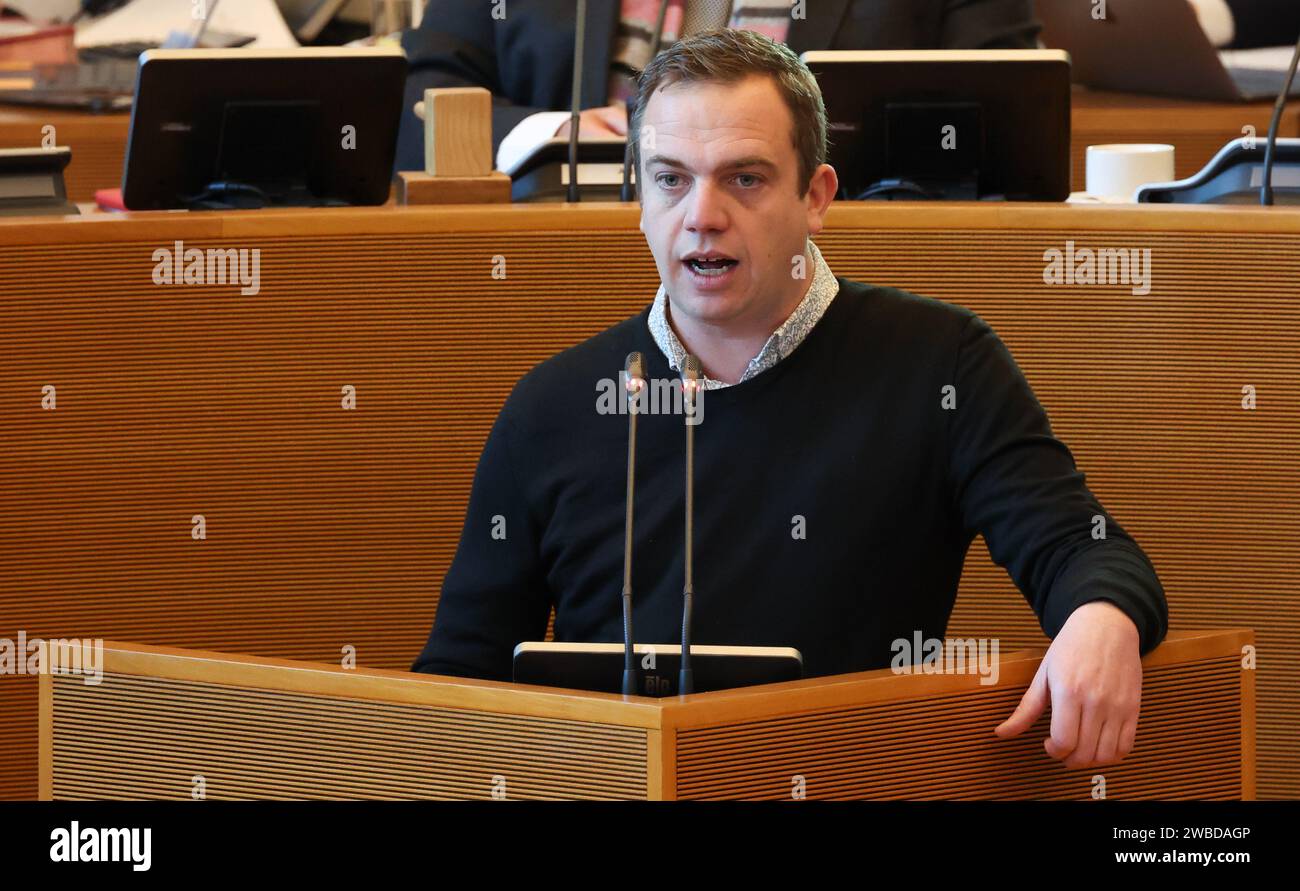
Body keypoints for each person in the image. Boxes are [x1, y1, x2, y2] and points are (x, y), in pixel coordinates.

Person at [412, 28, 1168, 771]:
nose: (702, 214)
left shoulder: (941, 365)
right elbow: (456, 681)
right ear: (638, 196)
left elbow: (1084, 548)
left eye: (745, 178)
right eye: (671, 179)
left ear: (816, 197)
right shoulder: (555, 404)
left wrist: (1101, 618)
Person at [395, 0, 1042, 173]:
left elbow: (1014, 129)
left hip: (841, 283)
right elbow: (408, 111)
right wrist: (554, 135)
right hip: (551, 276)